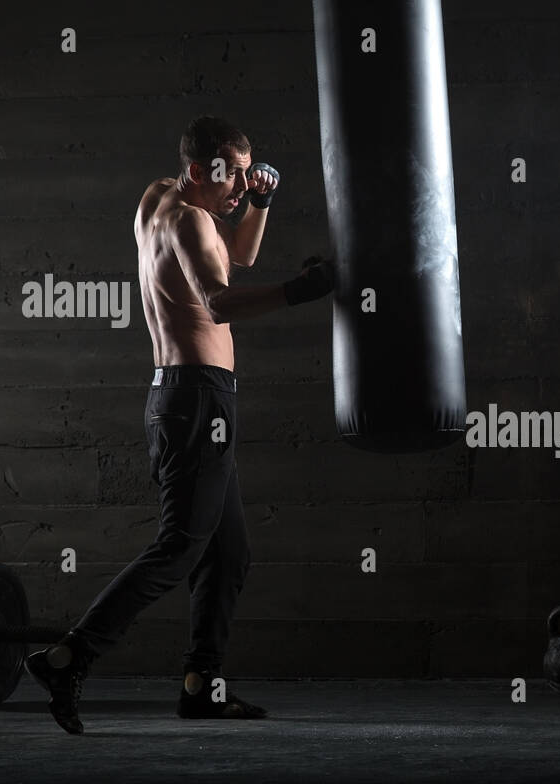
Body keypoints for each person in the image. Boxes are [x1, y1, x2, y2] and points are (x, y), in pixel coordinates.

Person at [24, 116, 334, 734]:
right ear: (198, 171)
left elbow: (236, 254)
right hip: (198, 399)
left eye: (250, 174)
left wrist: (260, 204)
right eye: (233, 175)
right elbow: (219, 301)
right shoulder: (189, 217)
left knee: (229, 552)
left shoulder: (159, 198)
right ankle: (68, 656)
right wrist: (300, 292)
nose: (242, 187)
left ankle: (202, 685)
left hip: (185, 400)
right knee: (180, 547)